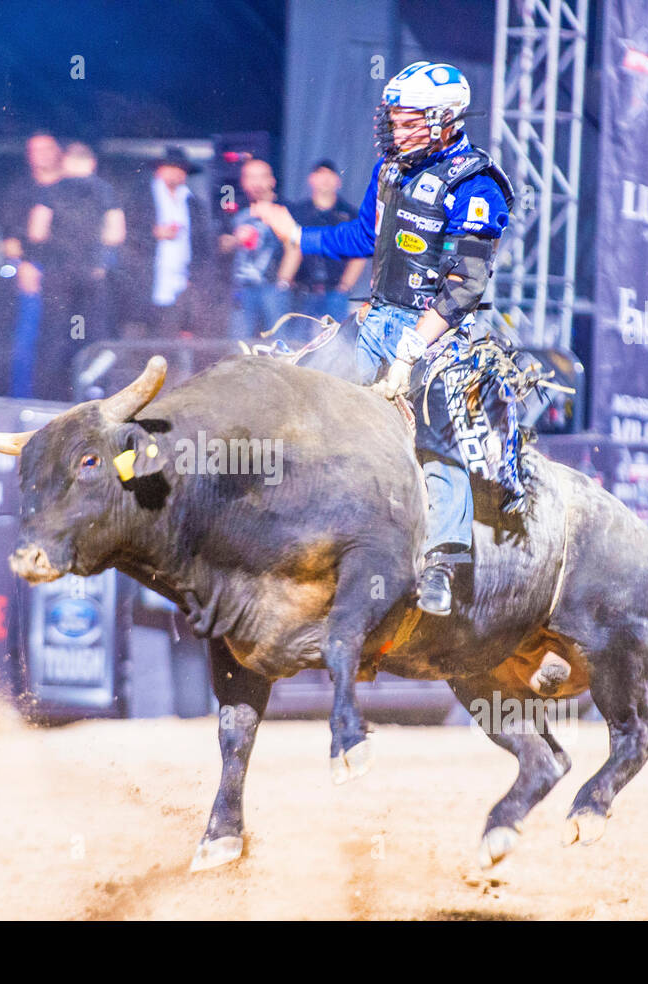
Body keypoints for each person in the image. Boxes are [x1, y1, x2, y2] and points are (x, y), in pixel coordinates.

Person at [255, 62, 513, 616]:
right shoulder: (391, 170)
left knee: (437, 436)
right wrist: (299, 235)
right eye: (393, 117)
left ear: (443, 120)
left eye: (408, 119)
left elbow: (465, 286)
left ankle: (444, 560)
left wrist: (413, 350)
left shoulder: (477, 185)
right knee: (304, 387)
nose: (396, 128)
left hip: (442, 333)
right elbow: (365, 235)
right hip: (377, 319)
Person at [21, 141, 126, 398]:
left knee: (56, 335)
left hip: (59, 275)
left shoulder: (50, 190)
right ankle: (91, 392)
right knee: (90, 335)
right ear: (92, 164)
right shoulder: (105, 191)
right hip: (91, 275)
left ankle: (49, 397)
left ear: (66, 163)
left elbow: (37, 230)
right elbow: (116, 233)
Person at [123, 146, 212, 341]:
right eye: (170, 167)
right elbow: (126, 233)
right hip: (146, 280)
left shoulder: (192, 202)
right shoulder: (141, 196)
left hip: (180, 284)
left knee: (171, 340)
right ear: (159, 169)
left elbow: (201, 245)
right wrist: (153, 233)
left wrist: (194, 276)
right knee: (140, 340)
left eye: (181, 169)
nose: (176, 173)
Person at [2, 132, 67, 398]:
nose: (40, 155)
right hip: (34, 272)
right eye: (34, 150)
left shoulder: (70, 187)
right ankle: (22, 400)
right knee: (27, 339)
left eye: (46, 148)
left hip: (67, 274)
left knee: (66, 338)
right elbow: (8, 239)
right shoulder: (20, 191)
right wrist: (24, 264)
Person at [275, 160, 366, 323]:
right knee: (297, 340)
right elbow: (290, 246)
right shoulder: (298, 212)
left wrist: (345, 286)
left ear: (338, 181)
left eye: (330, 175)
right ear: (311, 179)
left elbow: (359, 253)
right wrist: (284, 281)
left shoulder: (349, 214)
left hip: (335, 291)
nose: (325, 180)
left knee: (336, 339)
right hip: (302, 291)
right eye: (320, 175)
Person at [219, 158, 286, 343]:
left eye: (261, 177)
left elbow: (296, 247)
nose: (256, 183)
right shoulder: (234, 209)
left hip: (274, 288)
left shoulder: (285, 209)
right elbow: (220, 244)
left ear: (272, 180)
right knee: (239, 345)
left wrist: (283, 281)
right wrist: (235, 240)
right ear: (243, 181)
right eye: (251, 177)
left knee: (280, 344)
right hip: (242, 288)